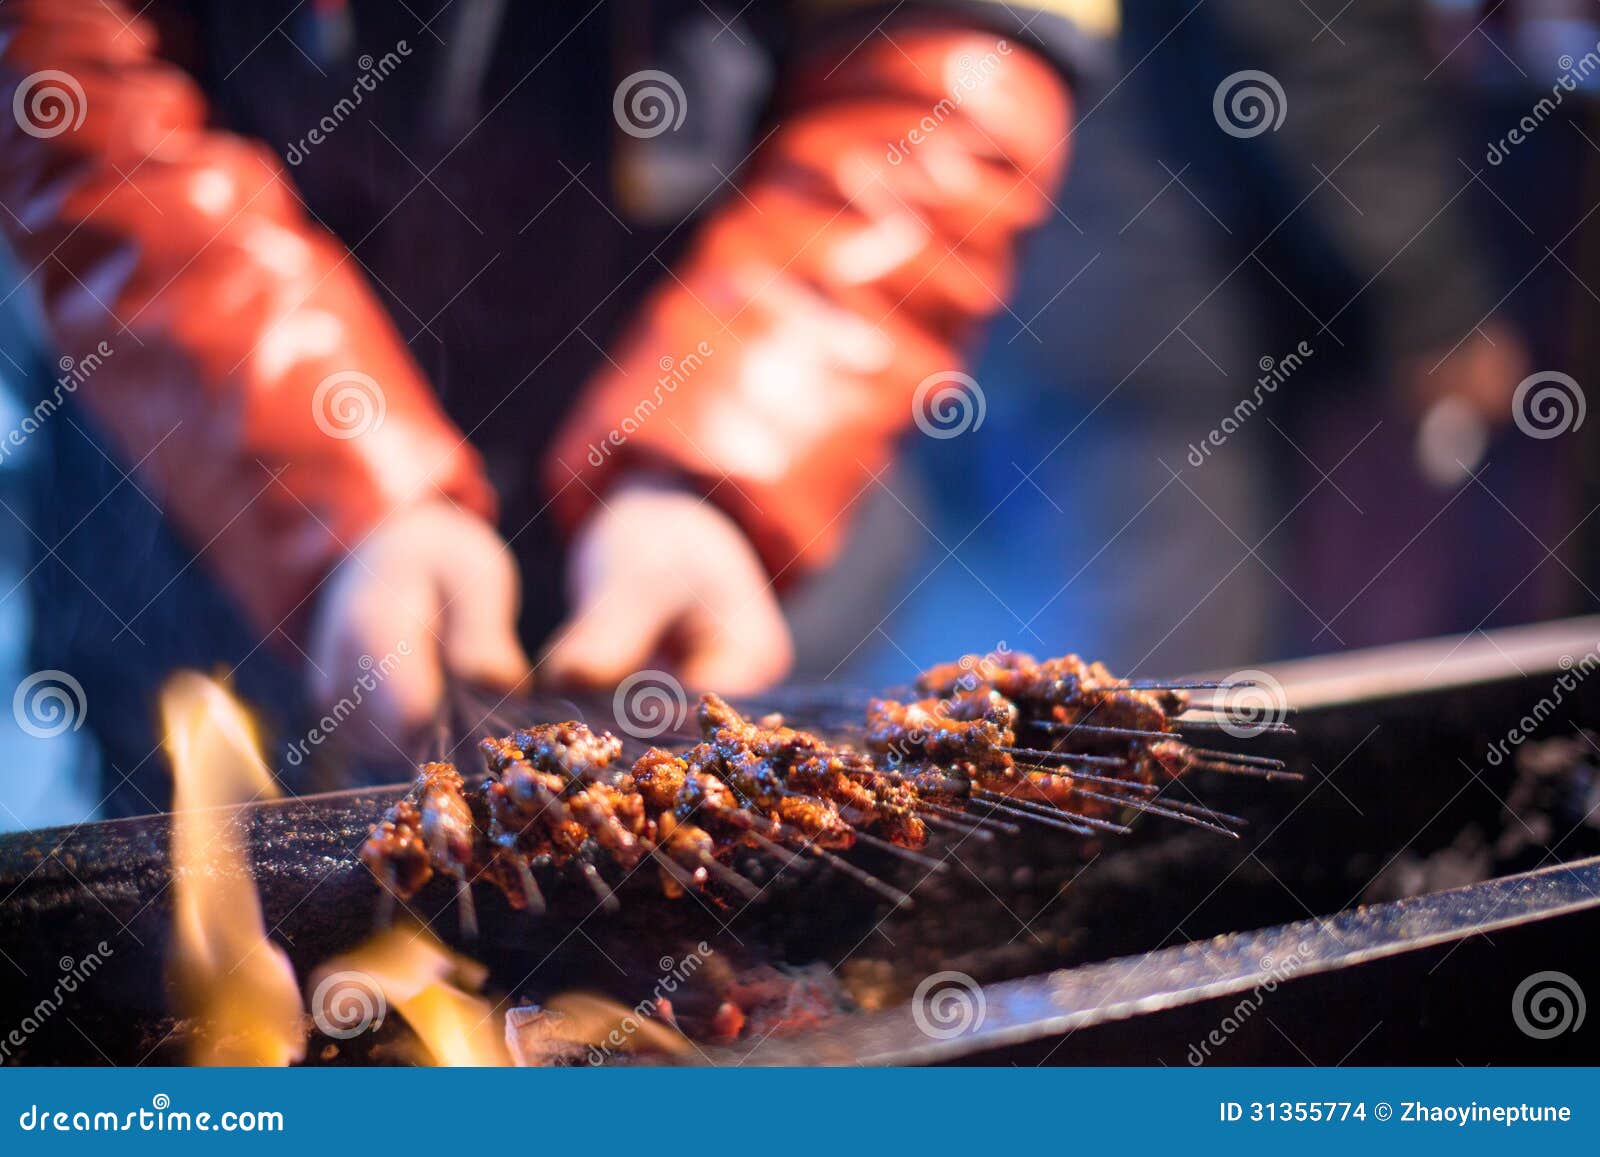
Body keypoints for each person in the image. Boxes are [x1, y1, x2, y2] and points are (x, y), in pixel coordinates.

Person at [0, 0, 1104, 799]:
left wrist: (713, 468)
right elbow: (73, 79)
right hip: (214, 519)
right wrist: (338, 492)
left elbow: (945, 72)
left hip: (730, 527)